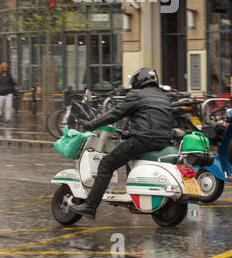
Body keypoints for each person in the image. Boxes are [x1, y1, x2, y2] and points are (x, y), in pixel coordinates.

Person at [65, 67, 174, 219]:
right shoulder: (164, 97)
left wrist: (91, 124)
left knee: (106, 163)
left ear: (138, 81)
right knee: (130, 157)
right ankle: (134, 196)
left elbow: (115, 113)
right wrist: (129, 133)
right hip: (163, 142)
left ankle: (90, 207)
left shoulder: (137, 94)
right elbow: (154, 122)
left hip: (144, 140)